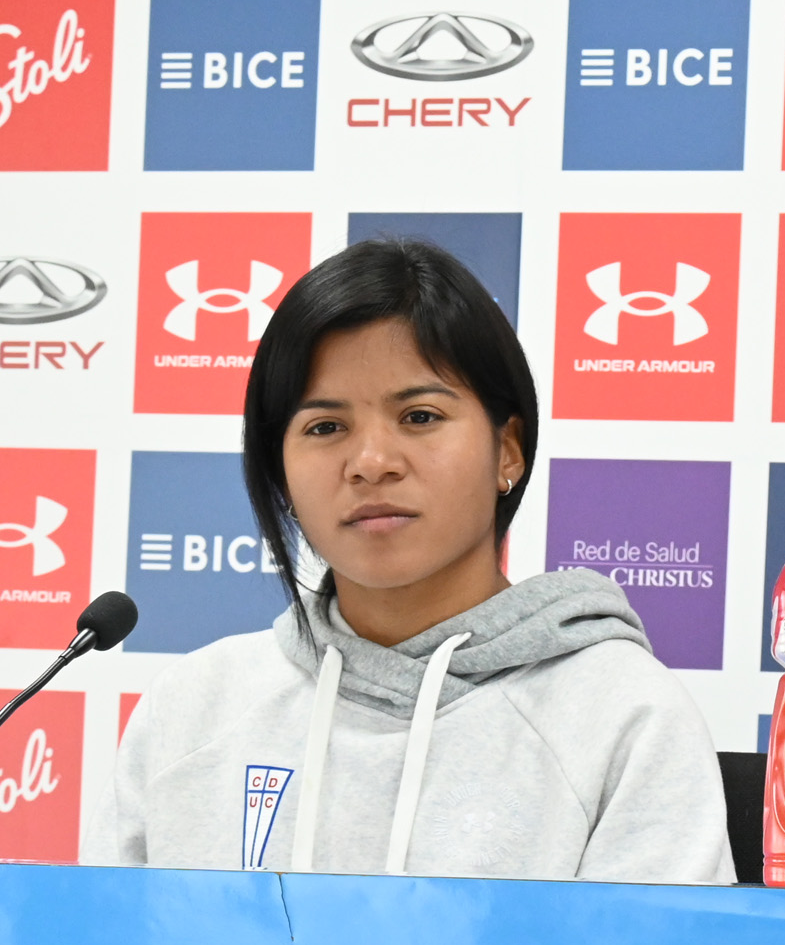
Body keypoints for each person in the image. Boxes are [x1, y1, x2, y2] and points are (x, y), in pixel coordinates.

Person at [84, 239, 735, 883]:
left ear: (507, 450)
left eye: (420, 416)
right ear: (279, 469)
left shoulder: (624, 717)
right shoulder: (191, 710)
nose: (372, 462)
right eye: (324, 427)